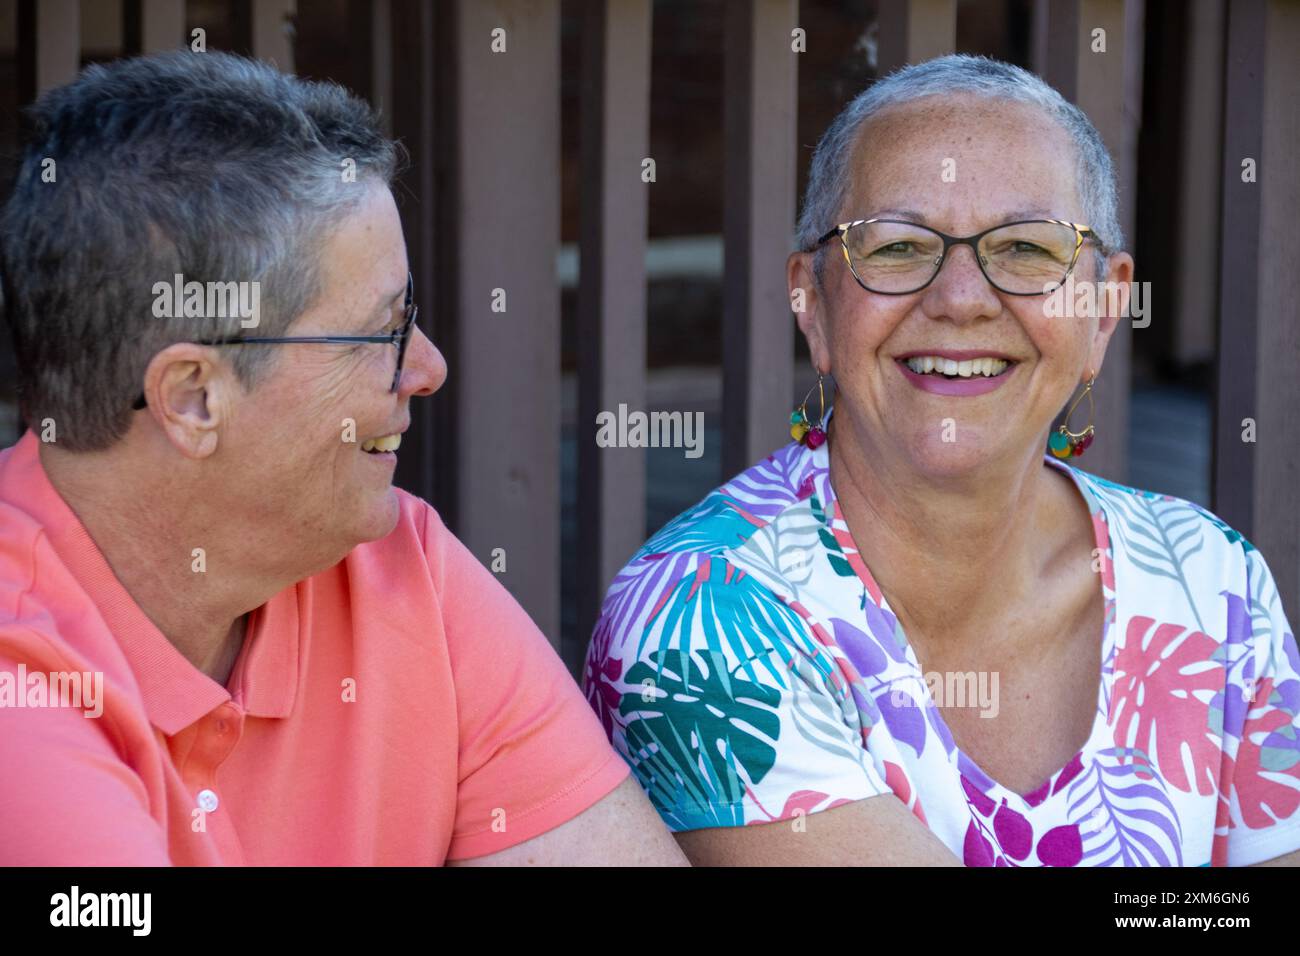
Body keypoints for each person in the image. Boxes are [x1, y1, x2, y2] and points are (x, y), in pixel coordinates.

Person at [584, 54, 1300, 867]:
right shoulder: (703, 616)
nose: (961, 298)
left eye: (1029, 247)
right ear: (812, 305)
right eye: (896, 247)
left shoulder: (1213, 580)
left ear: (1104, 310)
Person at [0, 51, 686, 866]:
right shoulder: (22, 674)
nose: (429, 369)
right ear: (192, 396)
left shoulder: (401, 569)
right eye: (384, 330)